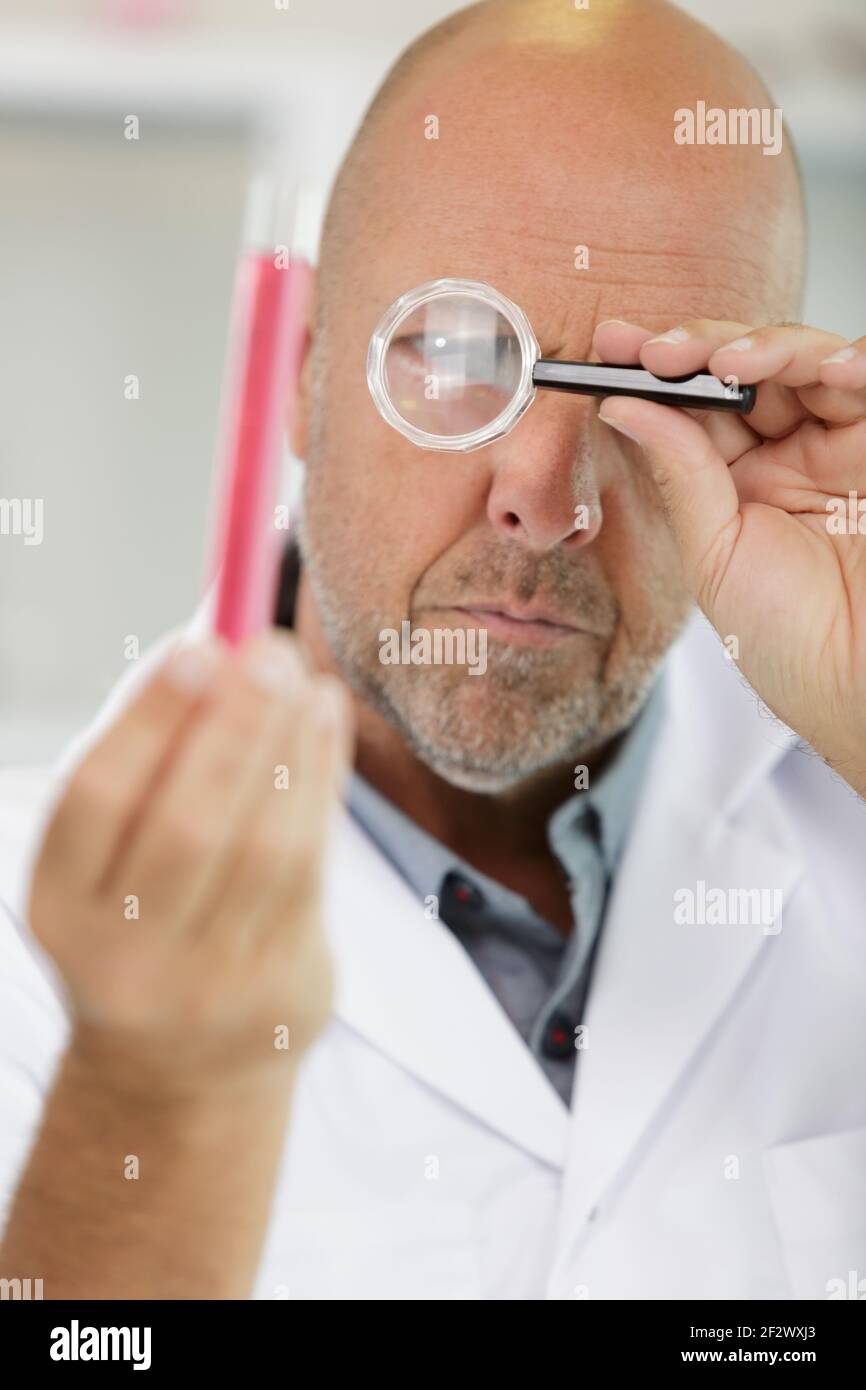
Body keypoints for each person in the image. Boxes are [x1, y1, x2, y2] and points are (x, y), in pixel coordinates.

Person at [1, 0, 865, 1301]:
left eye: (660, 399)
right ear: (298, 371)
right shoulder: (32, 939)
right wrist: (155, 1097)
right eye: (459, 353)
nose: (543, 492)